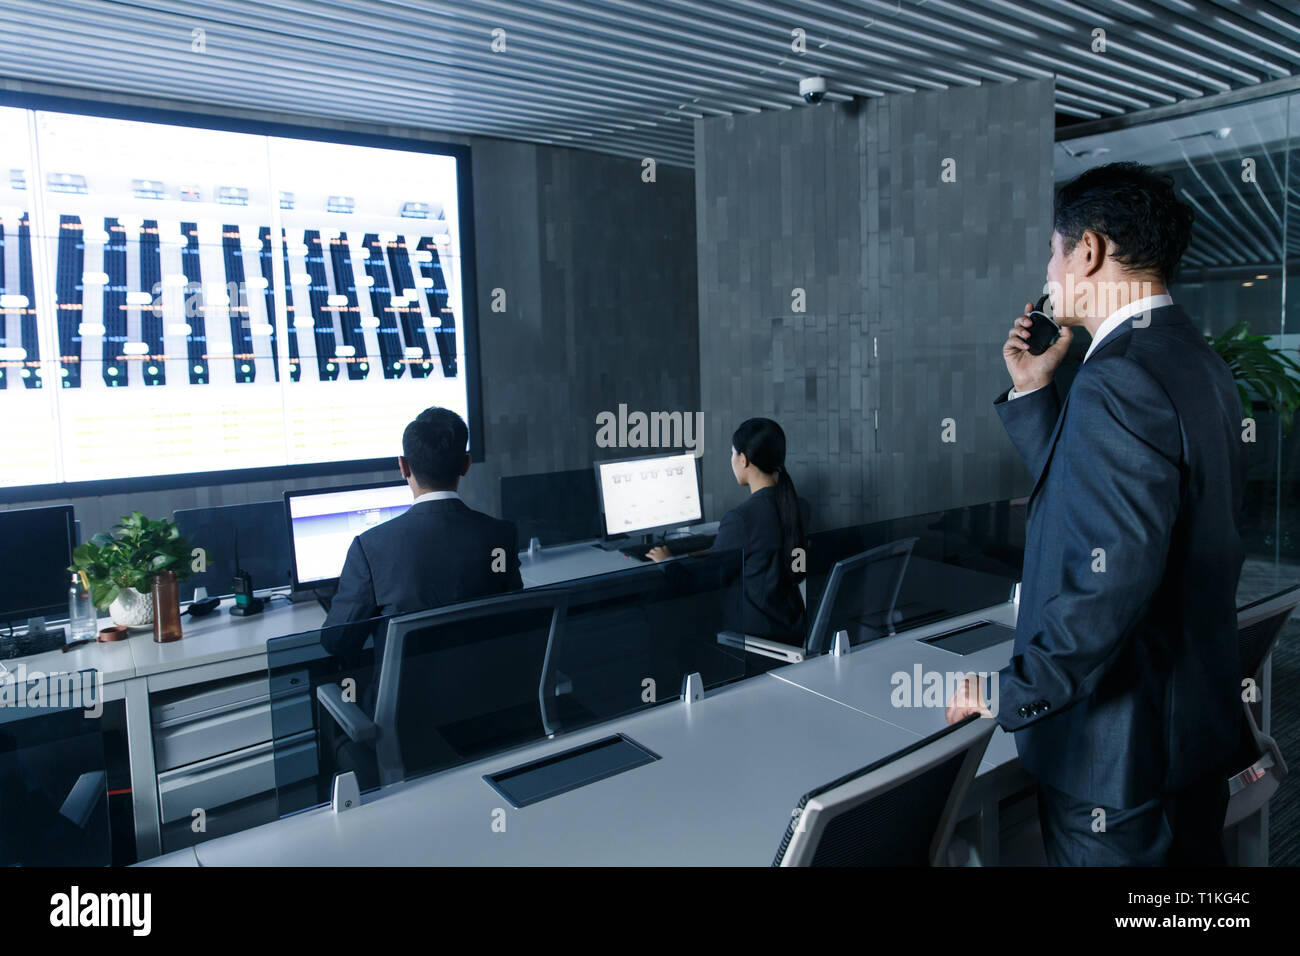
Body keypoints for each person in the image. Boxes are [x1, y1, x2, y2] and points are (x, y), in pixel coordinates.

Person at [946, 162, 1245, 866]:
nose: (1049, 268)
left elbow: (1112, 580)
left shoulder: (1120, 376)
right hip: (1185, 732)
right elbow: (1115, 506)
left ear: (1089, 252)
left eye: (1054, 250)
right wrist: (1033, 394)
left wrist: (1010, 690)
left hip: (1122, 756)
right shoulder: (1193, 361)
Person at [322, 406, 522, 656]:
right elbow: (516, 619)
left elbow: (338, 642)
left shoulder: (370, 548)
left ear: (403, 467)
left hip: (407, 695)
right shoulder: (500, 536)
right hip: (489, 691)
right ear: (466, 464)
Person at [649, 417, 810, 645]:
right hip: (791, 629)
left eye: (732, 454)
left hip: (754, 641)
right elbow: (771, 555)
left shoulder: (741, 519)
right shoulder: (798, 507)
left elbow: (700, 583)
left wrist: (666, 561)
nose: (731, 460)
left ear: (743, 460)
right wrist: (717, 548)